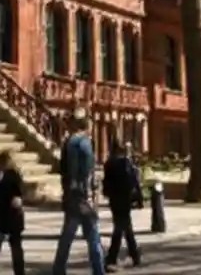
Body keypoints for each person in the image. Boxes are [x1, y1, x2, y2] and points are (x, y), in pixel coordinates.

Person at [51, 110, 106, 275]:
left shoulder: (68, 142)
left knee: (68, 236)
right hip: (83, 196)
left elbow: (65, 170)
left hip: (72, 195)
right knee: (92, 235)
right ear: (86, 125)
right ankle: (98, 270)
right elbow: (85, 172)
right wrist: (91, 193)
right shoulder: (83, 143)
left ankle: (58, 268)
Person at [102, 142, 144, 271]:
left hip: (115, 199)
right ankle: (129, 254)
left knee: (122, 226)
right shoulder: (126, 164)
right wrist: (138, 199)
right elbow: (133, 182)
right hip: (125, 198)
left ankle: (125, 255)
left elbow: (106, 184)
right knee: (122, 227)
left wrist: (108, 193)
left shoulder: (109, 164)